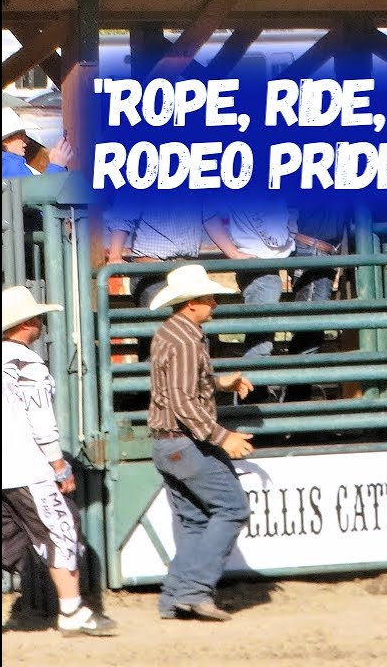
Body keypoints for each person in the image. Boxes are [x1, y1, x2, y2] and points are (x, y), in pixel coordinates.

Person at [2, 286, 119, 637]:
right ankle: (71, 611)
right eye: (37, 318)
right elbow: (41, 422)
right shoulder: (27, 363)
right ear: (28, 323)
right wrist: (58, 464)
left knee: (11, 538)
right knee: (61, 531)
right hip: (24, 466)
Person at [147, 264, 256, 621]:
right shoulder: (184, 341)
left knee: (194, 521)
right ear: (191, 303)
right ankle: (194, 591)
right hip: (185, 443)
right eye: (209, 298)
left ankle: (174, 598)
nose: (214, 303)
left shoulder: (172, 334)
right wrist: (222, 437)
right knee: (232, 508)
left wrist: (221, 384)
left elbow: (179, 388)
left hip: (169, 444)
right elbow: (182, 400)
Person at [203, 198, 295, 402]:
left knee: (261, 340)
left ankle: (251, 403)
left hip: (266, 265)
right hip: (258, 267)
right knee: (260, 343)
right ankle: (251, 405)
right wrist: (234, 253)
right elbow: (208, 213)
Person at [284, 200, 351, 402]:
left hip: (316, 249)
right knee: (309, 329)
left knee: (309, 329)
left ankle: (296, 399)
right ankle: (296, 401)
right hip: (314, 250)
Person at [1, 106, 73, 178]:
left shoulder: (8, 163)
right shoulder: (12, 166)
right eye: (21, 135)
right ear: (6, 141)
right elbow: (42, 189)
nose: (27, 140)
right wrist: (57, 165)